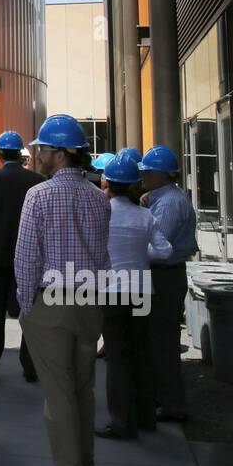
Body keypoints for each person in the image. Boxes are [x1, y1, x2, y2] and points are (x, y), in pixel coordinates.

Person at [14, 114, 111, 466]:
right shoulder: (97, 197)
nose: (37, 155)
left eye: (41, 149)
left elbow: (27, 258)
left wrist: (26, 305)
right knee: (83, 389)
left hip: (52, 303)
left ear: (57, 153)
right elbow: (103, 255)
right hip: (89, 301)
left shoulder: (38, 196)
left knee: (59, 394)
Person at [95, 151, 172, 440]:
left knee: (117, 356)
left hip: (112, 291)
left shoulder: (103, 214)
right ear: (134, 184)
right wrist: (140, 253)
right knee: (141, 352)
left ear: (108, 183)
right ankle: (145, 418)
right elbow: (165, 251)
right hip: (141, 290)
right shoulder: (145, 215)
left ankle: (121, 422)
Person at [0, 130, 45, 384]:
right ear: (20, 153)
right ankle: (31, 366)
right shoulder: (36, 180)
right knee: (29, 312)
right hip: (29, 257)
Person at [140, 145, 198, 424]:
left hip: (164, 276)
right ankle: (162, 398)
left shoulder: (170, 203)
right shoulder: (162, 199)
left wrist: (128, 248)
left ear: (162, 175)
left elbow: (158, 248)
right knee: (156, 341)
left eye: (148, 172)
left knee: (162, 344)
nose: (143, 177)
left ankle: (172, 404)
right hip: (162, 275)